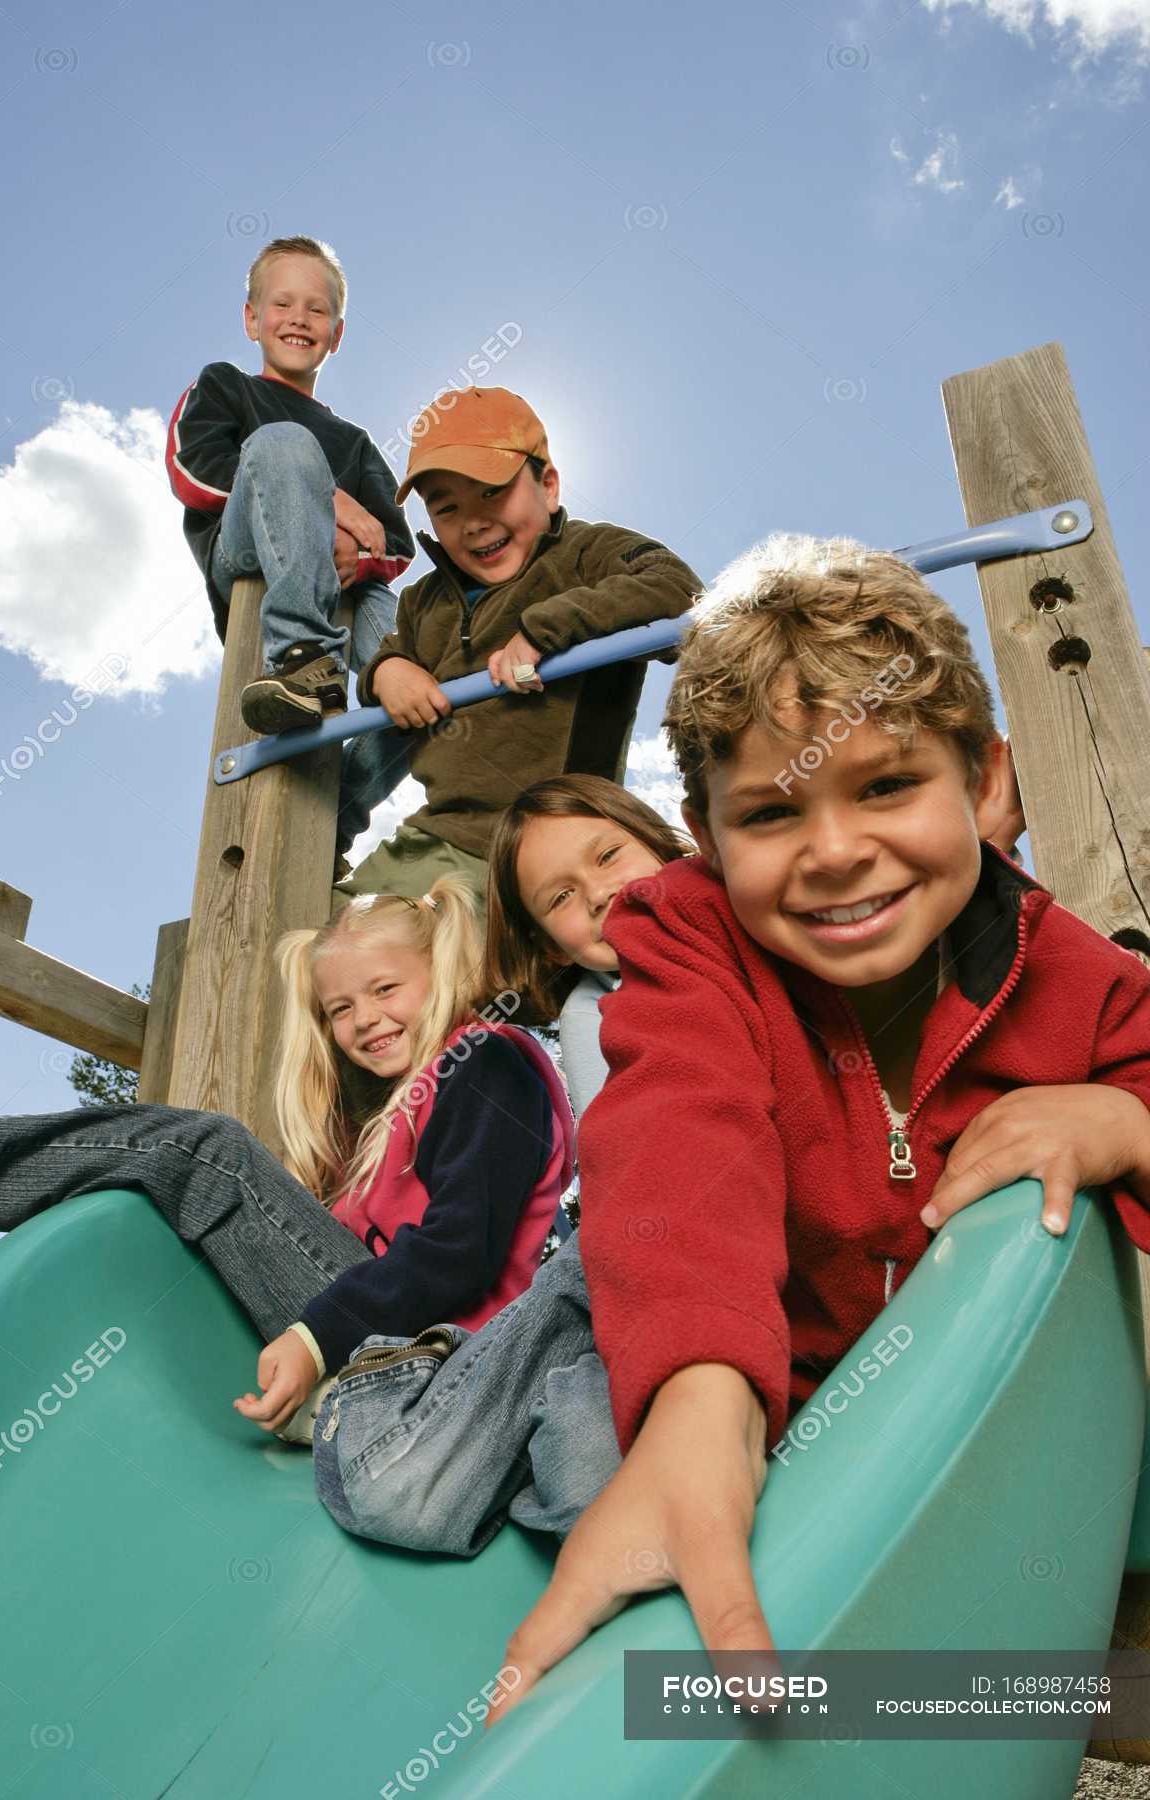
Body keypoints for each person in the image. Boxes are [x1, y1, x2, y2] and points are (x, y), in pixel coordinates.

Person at [300, 536, 1150, 1720]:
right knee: (454, 1491)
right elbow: (681, 1125)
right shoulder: (691, 943)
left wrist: (1124, 1115)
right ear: (705, 832)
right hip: (697, 1318)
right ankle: (410, 1385)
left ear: (988, 780)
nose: (838, 849)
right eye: (771, 812)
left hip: (875, 1385)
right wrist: (701, 1395)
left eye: (889, 785)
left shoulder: (1078, 978)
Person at [0, 878, 573, 1443]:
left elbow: (458, 1251)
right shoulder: (397, 1113)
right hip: (388, 1338)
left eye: (385, 989)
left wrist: (316, 1336)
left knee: (205, 1156)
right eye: (340, 1009)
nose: (365, 1020)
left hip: (434, 1356)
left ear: (440, 972)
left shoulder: (487, 1066)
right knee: (168, 1208)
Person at [336, 386, 700, 906]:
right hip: (443, 836)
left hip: (553, 831)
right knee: (332, 940)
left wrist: (543, 630)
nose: (474, 521)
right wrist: (387, 672)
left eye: (491, 492)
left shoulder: (583, 555)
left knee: (438, 955)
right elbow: (388, 655)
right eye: (447, 508)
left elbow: (677, 589)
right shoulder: (425, 601)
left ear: (547, 486)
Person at [165, 233, 416, 853]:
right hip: (245, 548)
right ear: (253, 319)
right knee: (282, 444)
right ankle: (303, 656)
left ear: (336, 333)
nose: (298, 319)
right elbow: (193, 473)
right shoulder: (226, 386)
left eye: (317, 309)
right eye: (281, 304)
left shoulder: (353, 439)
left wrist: (355, 555)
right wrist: (325, 503)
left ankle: (342, 813)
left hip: (347, 582)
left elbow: (395, 543)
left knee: (427, 675)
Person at [482, 775, 692, 1118]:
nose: (597, 894)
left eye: (608, 856)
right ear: (553, 947)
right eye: (562, 896)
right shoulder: (589, 1018)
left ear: (657, 843)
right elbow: (622, 1148)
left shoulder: (745, 911)